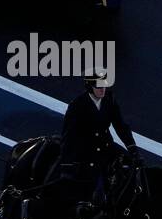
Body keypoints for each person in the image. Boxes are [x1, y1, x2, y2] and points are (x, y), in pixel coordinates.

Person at [59, 71, 139, 206]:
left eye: (104, 86)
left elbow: (120, 125)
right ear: (90, 87)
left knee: (130, 168)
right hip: (87, 153)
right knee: (93, 188)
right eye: (99, 87)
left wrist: (132, 148)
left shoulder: (109, 99)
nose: (102, 90)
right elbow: (68, 136)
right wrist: (67, 164)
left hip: (106, 146)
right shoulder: (77, 105)